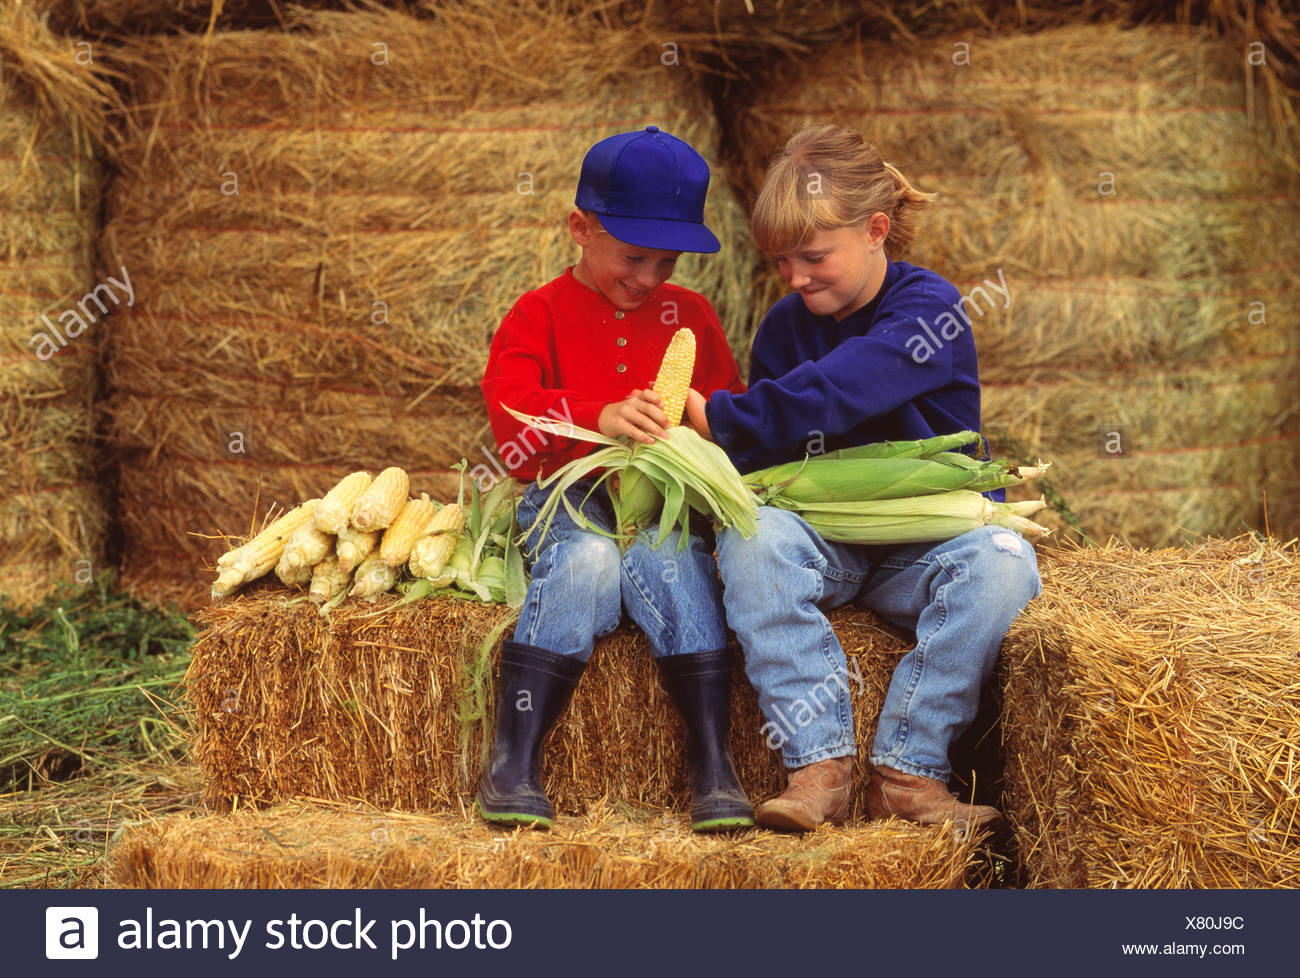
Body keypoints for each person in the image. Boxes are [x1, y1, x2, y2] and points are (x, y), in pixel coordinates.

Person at [684, 124, 1042, 832]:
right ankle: (817, 768)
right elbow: (775, 473)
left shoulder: (929, 310)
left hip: (926, 544)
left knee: (1005, 566)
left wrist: (725, 418)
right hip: (834, 545)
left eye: (814, 257)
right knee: (753, 538)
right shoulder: (784, 329)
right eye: (781, 261)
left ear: (876, 229)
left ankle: (909, 772)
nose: (795, 278)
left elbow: (849, 385)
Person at [477, 126, 753, 832]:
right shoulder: (537, 314)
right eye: (633, 257)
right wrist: (596, 416)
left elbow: (728, 410)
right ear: (580, 227)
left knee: (674, 560)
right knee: (589, 559)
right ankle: (514, 761)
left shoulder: (690, 316)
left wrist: (707, 429)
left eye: (668, 261)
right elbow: (511, 420)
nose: (651, 279)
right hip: (566, 496)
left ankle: (714, 764)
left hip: (663, 506)